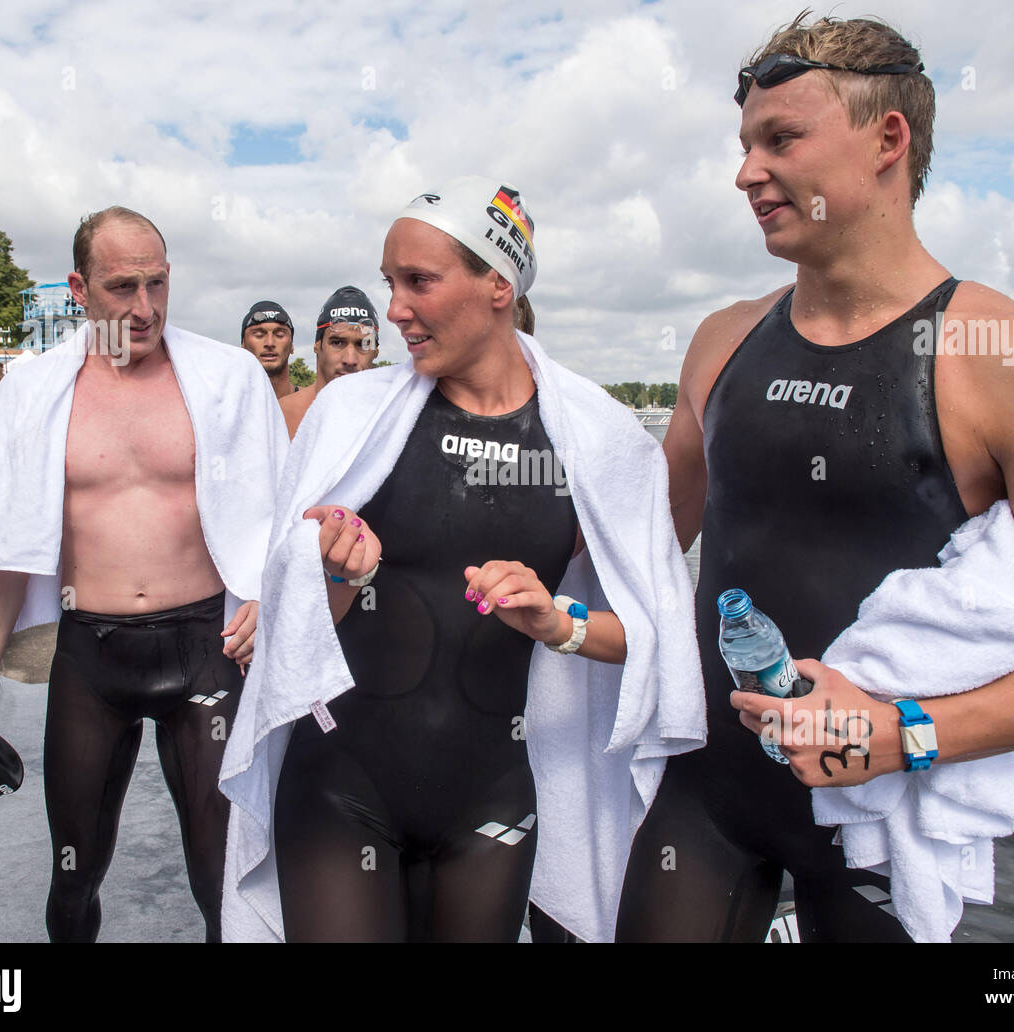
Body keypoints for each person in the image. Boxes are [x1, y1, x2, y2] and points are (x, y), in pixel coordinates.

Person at [615, 13, 1014, 943]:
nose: (747, 170)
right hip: (706, 801)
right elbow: (633, 551)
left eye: (781, 138)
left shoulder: (1004, 359)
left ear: (888, 139)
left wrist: (905, 733)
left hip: (879, 827)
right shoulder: (723, 342)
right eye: (746, 143)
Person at [219, 177, 704, 943]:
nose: (394, 310)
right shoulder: (352, 419)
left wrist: (557, 623)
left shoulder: (596, 441)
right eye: (391, 283)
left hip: (494, 799)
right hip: (339, 786)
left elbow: (655, 645)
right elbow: (294, 636)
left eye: (419, 282)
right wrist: (336, 574)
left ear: (497, 285)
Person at [0, 206, 287, 942]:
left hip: (204, 646)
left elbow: (274, 512)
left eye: (158, 284)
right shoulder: (36, 391)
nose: (144, 308)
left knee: (222, 879)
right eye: (122, 287)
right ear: (79, 289)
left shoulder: (227, 378)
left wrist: (267, 597)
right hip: (92, 656)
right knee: (75, 879)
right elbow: (5, 547)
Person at [278, 286, 382, 438]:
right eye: (337, 343)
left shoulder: (388, 416)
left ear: (375, 352)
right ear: (317, 346)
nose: (350, 359)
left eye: (362, 345)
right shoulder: (284, 414)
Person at [239, 300, 298, 402]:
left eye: (279, 335)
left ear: (292, 345)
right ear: (243, 344)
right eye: (258, 335)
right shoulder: (228, 406)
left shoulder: (312, 405)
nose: (270, 343)